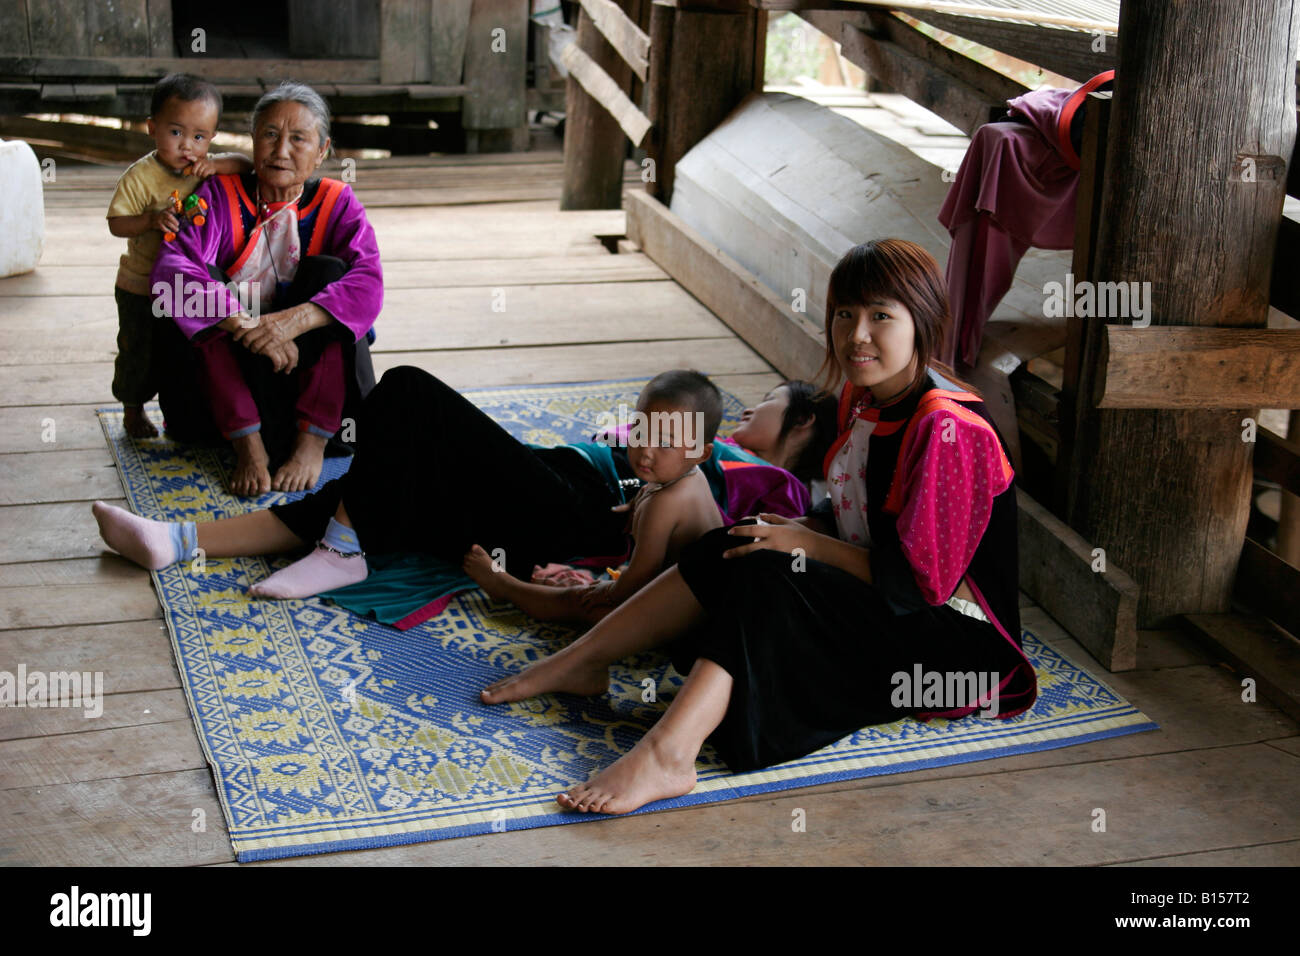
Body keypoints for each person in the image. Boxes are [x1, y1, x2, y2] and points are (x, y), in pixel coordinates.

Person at [477, 238, 1039, 816]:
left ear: (923, 322)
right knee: (740, 539)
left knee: (772, 571)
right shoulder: (860, 395)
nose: (857, 335)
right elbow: (858, 516)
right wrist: (793, 529)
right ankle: (584, 661)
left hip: (951, 645)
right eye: (844, 314)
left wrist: (803, 542)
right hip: (887, 601)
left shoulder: (949, 428)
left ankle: (670, 753)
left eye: (880, 317)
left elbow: (922, 584)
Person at [91, 367, 837, 613]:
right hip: (562, 496)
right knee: (390, 482)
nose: (751, 412)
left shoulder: (767, 483)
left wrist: (515, 585)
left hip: (560, 507)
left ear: (799, 430)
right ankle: (177, 541)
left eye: (766, 407)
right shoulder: (677, 459)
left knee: (406, 392)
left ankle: (344, 549)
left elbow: (657, 573)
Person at [150, 81, 382, 496]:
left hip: (311, 380)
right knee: (205, 283)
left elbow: (368, 282)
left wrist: (289, 324)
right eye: (270, 135)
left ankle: (312, 441)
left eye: (298, 139)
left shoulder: (338, 203)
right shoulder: (218, 195)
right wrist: (245, 324)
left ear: (323, 150)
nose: (281, 151)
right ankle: (247, 445)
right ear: (252, 140)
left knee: (332, 273)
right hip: (229, 385)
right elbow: (172, 273)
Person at [462, 370, 726, 625]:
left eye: (665, 443)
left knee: (582, 603)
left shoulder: (665, 503)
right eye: (639, 433)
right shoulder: (689, 476)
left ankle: (507, 587)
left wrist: (604, 592)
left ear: (700, 454)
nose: (645, 451)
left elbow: (641, 577)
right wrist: (635, 505)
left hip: (682, 616)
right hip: (693, 595)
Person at [106, 73, 252, 439]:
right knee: (138, 352)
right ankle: (133, 408)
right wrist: (151, 220)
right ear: (152, 128)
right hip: (140, 286)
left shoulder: (201, 168)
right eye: (176, 133)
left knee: (175, 352)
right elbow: (117, 224)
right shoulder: (140, 177)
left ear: (211, 139)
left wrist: (216, 165)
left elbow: (246, 165)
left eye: (199, 137)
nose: (188, 145)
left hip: (182, 287)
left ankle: (178, 411)